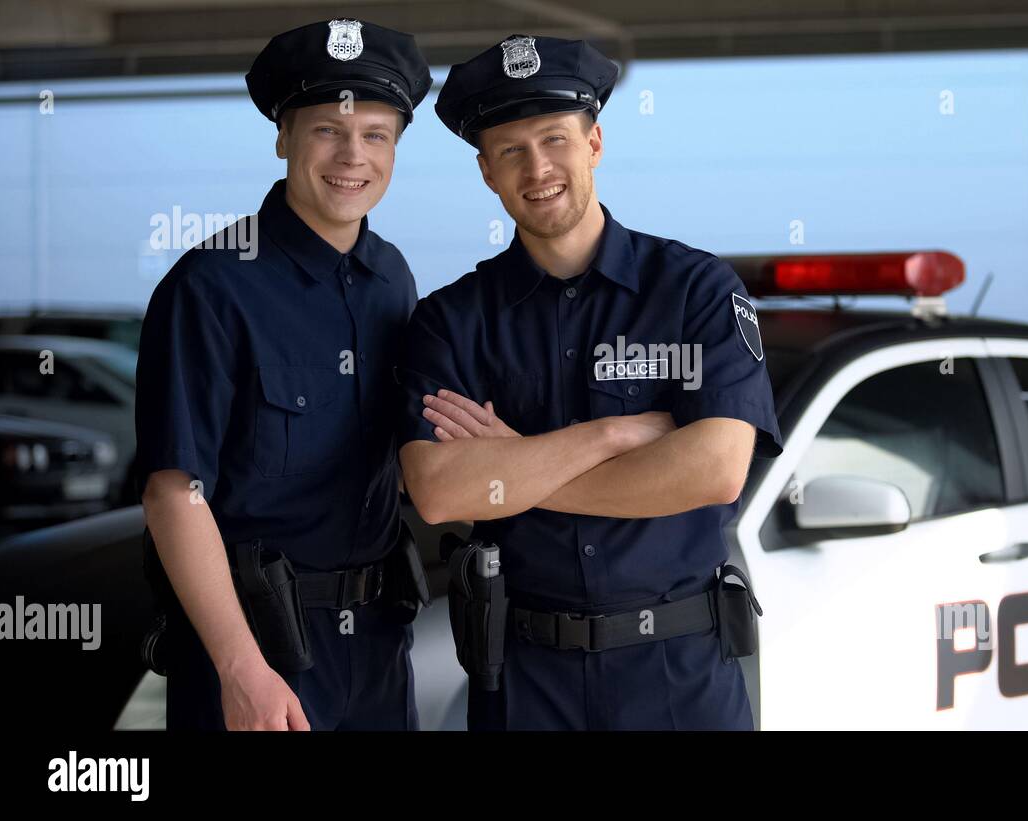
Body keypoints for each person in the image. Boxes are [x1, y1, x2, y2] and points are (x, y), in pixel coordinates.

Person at [397, 34, 782, 730]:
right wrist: (611, 435)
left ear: (594, 143)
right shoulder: (450, 321)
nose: (538, 167)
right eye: (511, 150)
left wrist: (516, 465)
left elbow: (717, 469)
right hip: (523, 680)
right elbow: (439, 491)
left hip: (680, 676)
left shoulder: (695, 291)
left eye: (555, 139)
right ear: (486, 171)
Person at [135, 19, 431, 730]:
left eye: (376, 134)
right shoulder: (211, 286)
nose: (353, 155)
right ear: (283, 137)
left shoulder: (392, 278)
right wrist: (241, 671)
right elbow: (173, 494)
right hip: (257, 652)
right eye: (328, 130)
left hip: (379, 648)